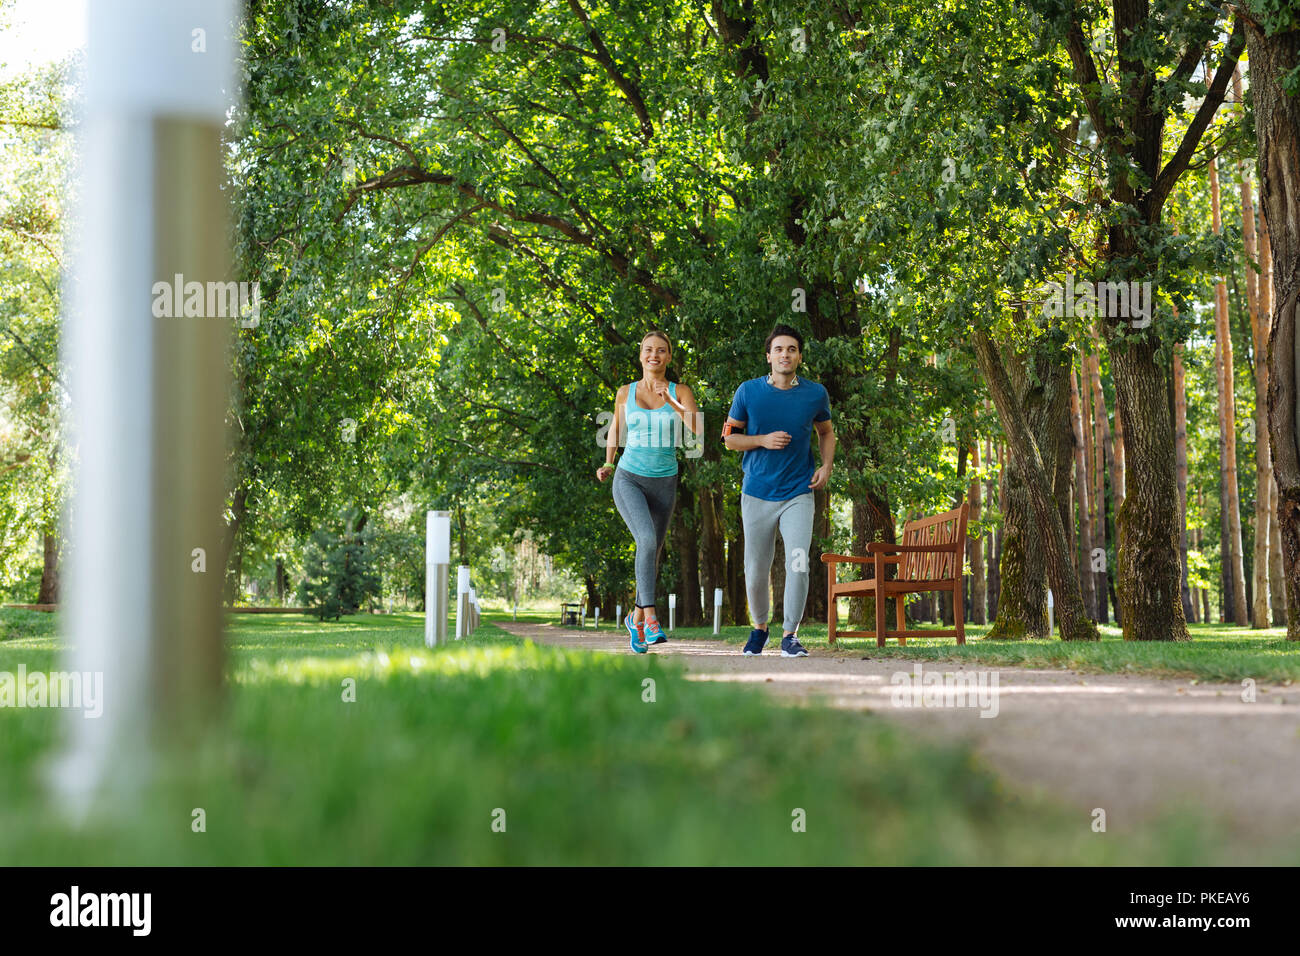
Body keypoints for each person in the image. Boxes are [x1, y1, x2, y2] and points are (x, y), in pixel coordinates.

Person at [722, 324, 835, 657]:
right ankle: (759, 629)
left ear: (799, 356)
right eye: (779, 349)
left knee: (798, 562)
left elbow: (826, 432)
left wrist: (826, 466)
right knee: (756, 569)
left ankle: (790, 635)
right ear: (768, 356)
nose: (785, 354)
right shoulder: (748, 392)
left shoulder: (815, 394)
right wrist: (761, 440)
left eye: (792, 349)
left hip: (798, 491)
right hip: (757, 492)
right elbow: (729, 439)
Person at [597, 331, 701, 653]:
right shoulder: (625, 392)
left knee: (652, 552)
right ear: (640, 355)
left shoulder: (680, 390)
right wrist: (608, 462)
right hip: (629, 478)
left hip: (665, 481)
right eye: (648, 350)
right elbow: (615, 428)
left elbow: (696, 428)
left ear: (669, 357)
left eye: (661, 350)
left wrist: (669, 400)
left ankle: (635, 620)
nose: (653, 355)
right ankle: (652, 618)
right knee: (646, 540)